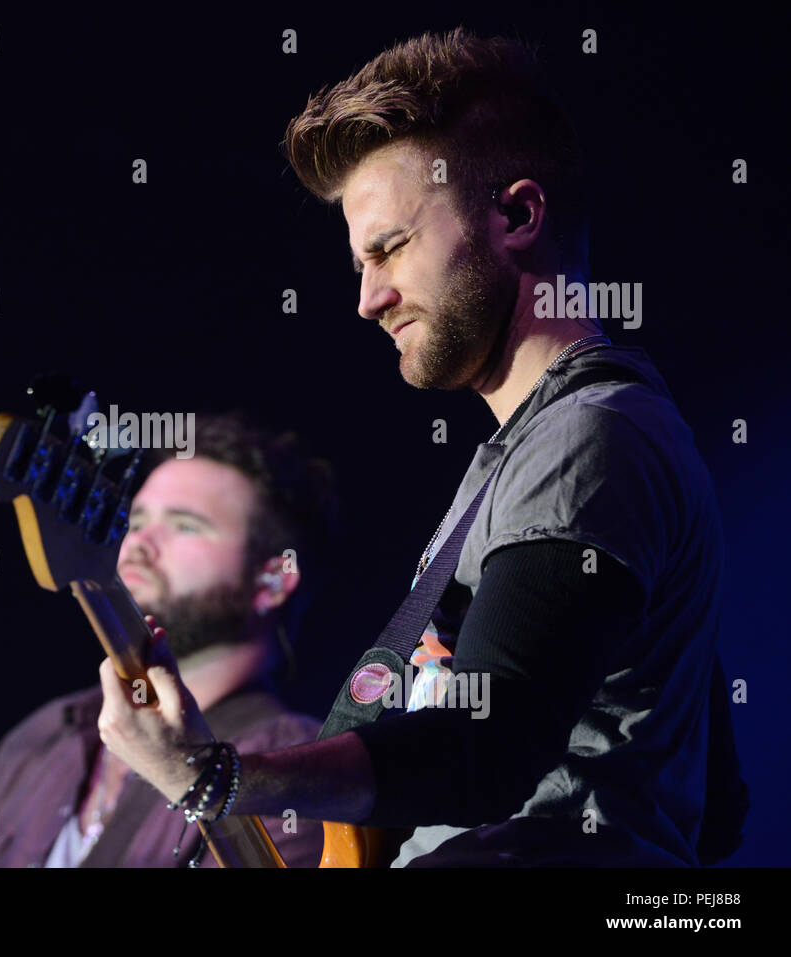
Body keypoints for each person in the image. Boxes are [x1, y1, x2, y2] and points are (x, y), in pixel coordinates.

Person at [97, 28, 747, 867]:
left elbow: (487, 751)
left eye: (391, 248)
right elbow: (717, 798)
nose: (369, 299)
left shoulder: (590, 437)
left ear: (516, 214)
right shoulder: (553, 450)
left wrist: (217, 779)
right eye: (360, 263)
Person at [0, 416, 335, 867]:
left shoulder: (299, 771)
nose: (137, 543)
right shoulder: (46, 734)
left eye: (186, 525)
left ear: (272, 578)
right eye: (135, 519)